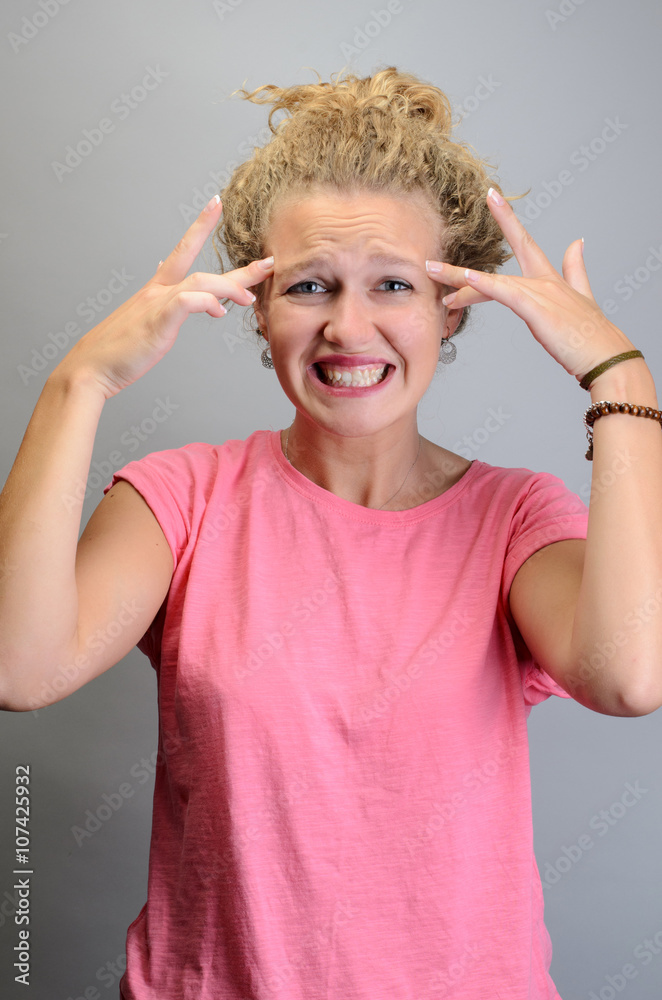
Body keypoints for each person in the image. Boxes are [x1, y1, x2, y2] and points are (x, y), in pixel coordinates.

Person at [1, 66, 661, 999]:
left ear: (451, 308)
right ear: (258, 307)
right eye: (310, 286)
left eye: (394, 283)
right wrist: (79, 384)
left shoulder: (516, 520)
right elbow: (19, 670)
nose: (350, 329)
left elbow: (631, 676)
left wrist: (621, 382)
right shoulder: (181, 499)